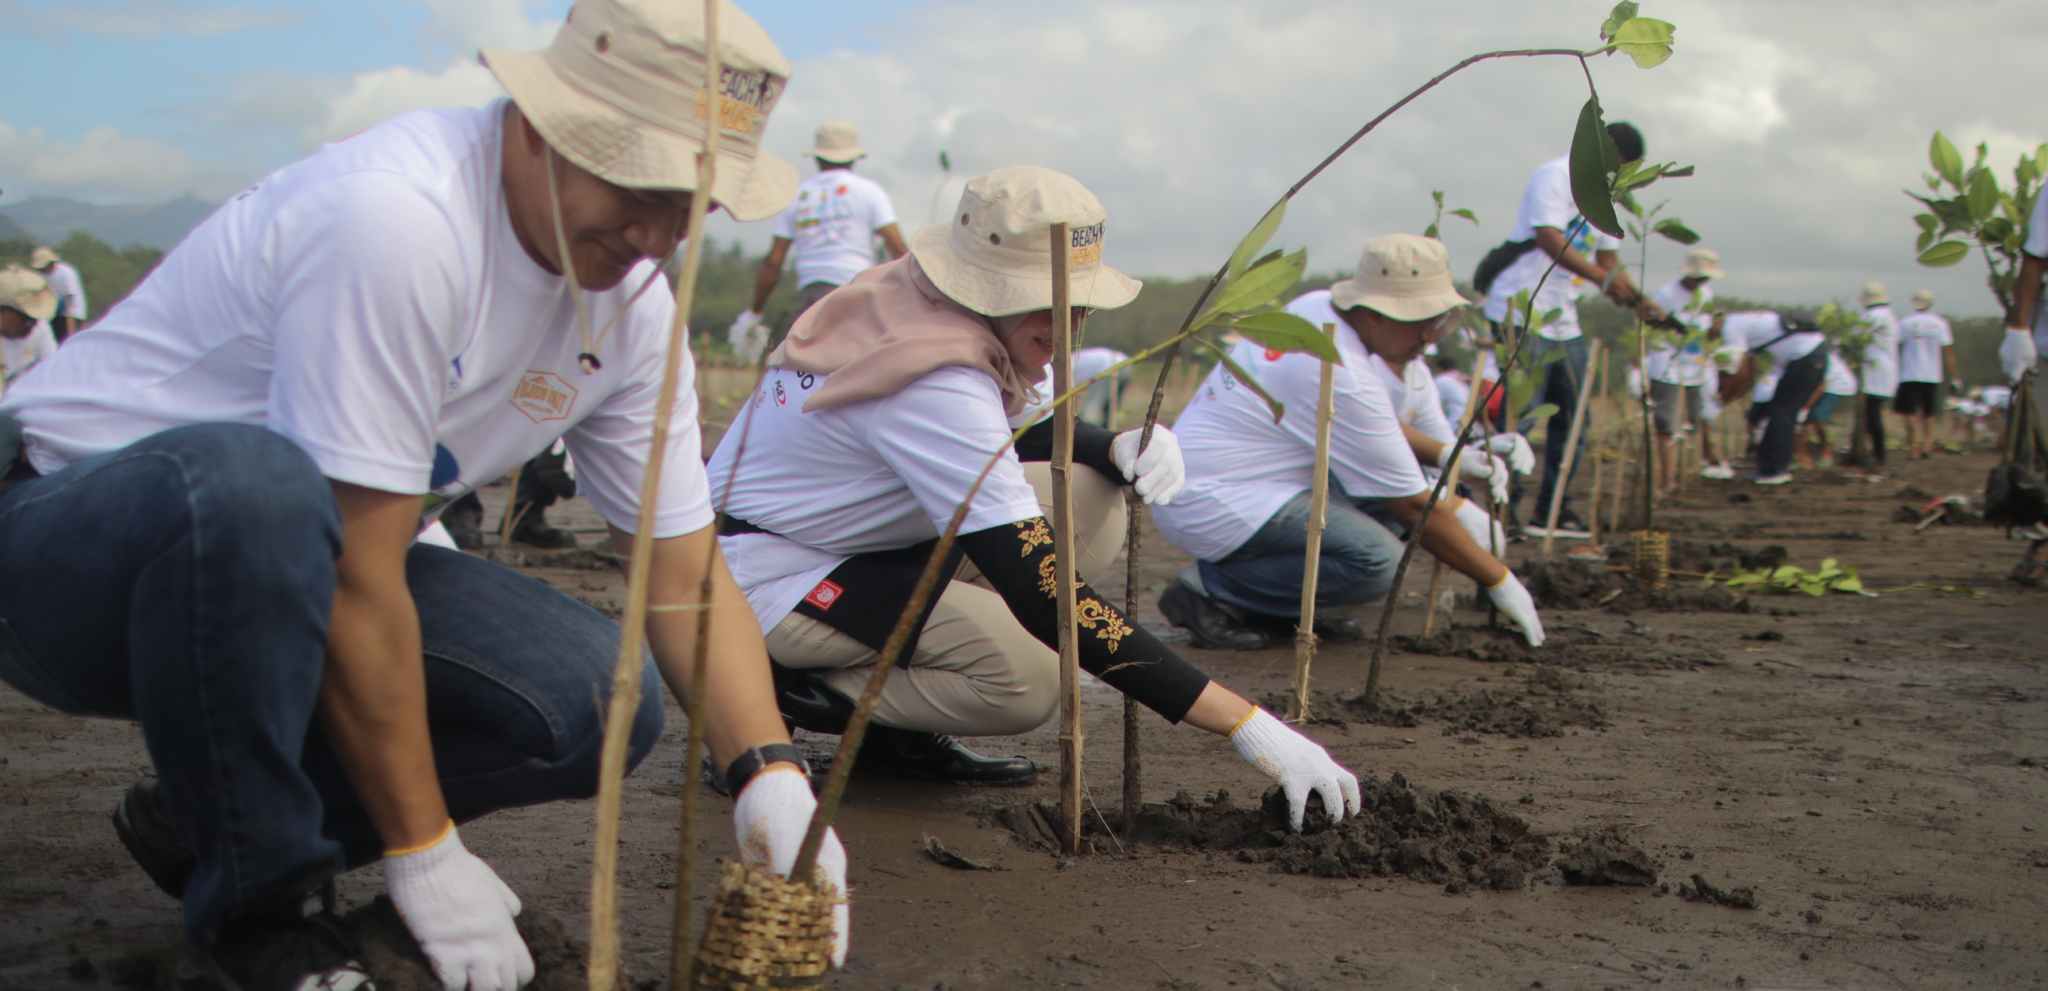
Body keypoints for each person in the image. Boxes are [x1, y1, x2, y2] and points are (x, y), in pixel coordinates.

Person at [0, 4, 853, 989]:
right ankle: (262, 915)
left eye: (694, 203)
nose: (658, 233)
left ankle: (211, 821)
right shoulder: (400, 218)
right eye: (643, 186)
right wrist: (425, 850)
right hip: (64, 547)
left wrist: (769, 775)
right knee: (256, 484)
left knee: (584, 694)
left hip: (290, 572)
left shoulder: (635, 311)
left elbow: (680, 575)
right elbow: (354, 572)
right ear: (543, 123)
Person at [706, 166, 1362, 830]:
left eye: (1080, 301)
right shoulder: (937, 379)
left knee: (1089, 492)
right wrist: (1245, 723)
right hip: (773, 571)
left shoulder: (926, 296)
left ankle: (894, 735)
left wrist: (1117, 445)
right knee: (1026, 676)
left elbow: (1032, 427)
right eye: (1045, 299)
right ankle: (768, 689)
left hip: (862, 538)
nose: (1069, 323)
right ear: (985, 285)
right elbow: (1040, 589)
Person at [1153, 234, 1546, 652]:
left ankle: (1281, 607)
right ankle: (1207, 591)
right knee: (1376, 561)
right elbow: (1414, 507)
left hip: (1245, 479)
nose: (1432, 336)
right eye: (1422, 320)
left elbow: (1377, 428)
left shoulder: (1319, 309)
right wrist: (1500, 580)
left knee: (1384, 514)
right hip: (1214, 496)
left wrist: (1450, 456)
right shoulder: (1340, 370)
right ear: (1376, 314)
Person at [1483, 122, 1657, 538]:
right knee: (1521, 415)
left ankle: (1554, 511)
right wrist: (1602, 281)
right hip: (1521, 309)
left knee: (1575, 418)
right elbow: (1547, 237)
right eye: (1622, 168)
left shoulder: (1604, 197)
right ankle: (1502, 514)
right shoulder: (1556, 175)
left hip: (1563, 318)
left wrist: (1636, 297)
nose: (1621, 178)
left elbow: (1608, 258)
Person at [730, 120, 909, 364]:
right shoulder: (869, 192)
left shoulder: (797, 196)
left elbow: (773, 261)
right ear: (855, 158)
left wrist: (755, 311)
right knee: (858, 369)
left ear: (816, 157)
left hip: (809, 299)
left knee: (800, 369)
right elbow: (898, 249)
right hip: (856, 292)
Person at [1646, 248, 1730, 486]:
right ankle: (1667, 479)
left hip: (1695, 367)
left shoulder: (1705, 294)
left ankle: (1685, 475)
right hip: (1667, 366)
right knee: (1667, 424)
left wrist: (1715, 328)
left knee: (1693, 422)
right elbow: (1653, 324)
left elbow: (1705, 330)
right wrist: (1673, 328)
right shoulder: (1667, 294)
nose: (1705, 279)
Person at [1719, 310, 1826, 484]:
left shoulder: (1730, 328)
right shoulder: (1744, 322)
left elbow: (1740, 372)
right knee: (1784, 412)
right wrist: (1735, 396)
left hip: (1804, 356)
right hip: (1814, 353)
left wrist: (1723, 399)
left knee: (1781, 412)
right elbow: (1749, 375)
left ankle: (1772, 470)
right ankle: (1777, 467)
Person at [1896, 289, 1959, 459]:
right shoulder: (1940, 323)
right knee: (1929, 411)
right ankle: (1927, 443)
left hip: (1909, 373)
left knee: (1910, 411)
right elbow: (1948, 352)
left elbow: (1897, 346)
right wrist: (1955, 376)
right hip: (1932, 374)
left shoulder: (1905, 322)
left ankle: (1914, 446)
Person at [1857, 282, 1901, 472]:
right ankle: (1872, 453)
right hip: (1885, 367)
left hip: (1875, 369)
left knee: (1872, 414)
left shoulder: (1872, 316)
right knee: (1871, 413)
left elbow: (1856, 337)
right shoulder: (1890, 315)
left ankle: (1878, 456)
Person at [1795, 345, 1858, 470]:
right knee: (1802, 420)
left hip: (1838, 386)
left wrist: (1806, 407)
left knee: (1818, 417)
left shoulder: (1821, 356)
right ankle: (1802, 456)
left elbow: (1821, 385)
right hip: (1821, 385)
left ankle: (1826, 450)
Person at [0, 266, 61, 385]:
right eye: (26, 318)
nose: (33, 324)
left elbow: (50, 368)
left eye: (36, 318)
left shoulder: (40, 326)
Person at [29, 245, 87, 343]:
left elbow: (69, 298)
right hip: (54, 312)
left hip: (71, 312)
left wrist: (52, 309)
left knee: (65, 339)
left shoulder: (66, 273)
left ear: (50, 263)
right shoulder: (42, 275)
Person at [1432, 354, 1470, 426]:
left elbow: (1435, 402)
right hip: (1472, 414)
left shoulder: (1441, 379)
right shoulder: (1463, 376)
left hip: (1457, 417)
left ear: (1440, 368)